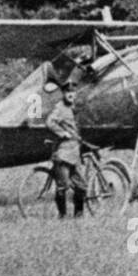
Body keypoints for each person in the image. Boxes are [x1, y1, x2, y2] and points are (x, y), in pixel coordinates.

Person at [45, 80, 88, 218]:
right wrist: (61, 133)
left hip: (74, 154)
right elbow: (50, 121)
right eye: (68, 92)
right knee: (62, 186)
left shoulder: (72, 108)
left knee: (81, 186)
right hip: (63, 154)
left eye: (73, 92)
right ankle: (62, 215)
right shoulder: (60, 107)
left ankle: (78, 215)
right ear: (63, 93)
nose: (70, 95)